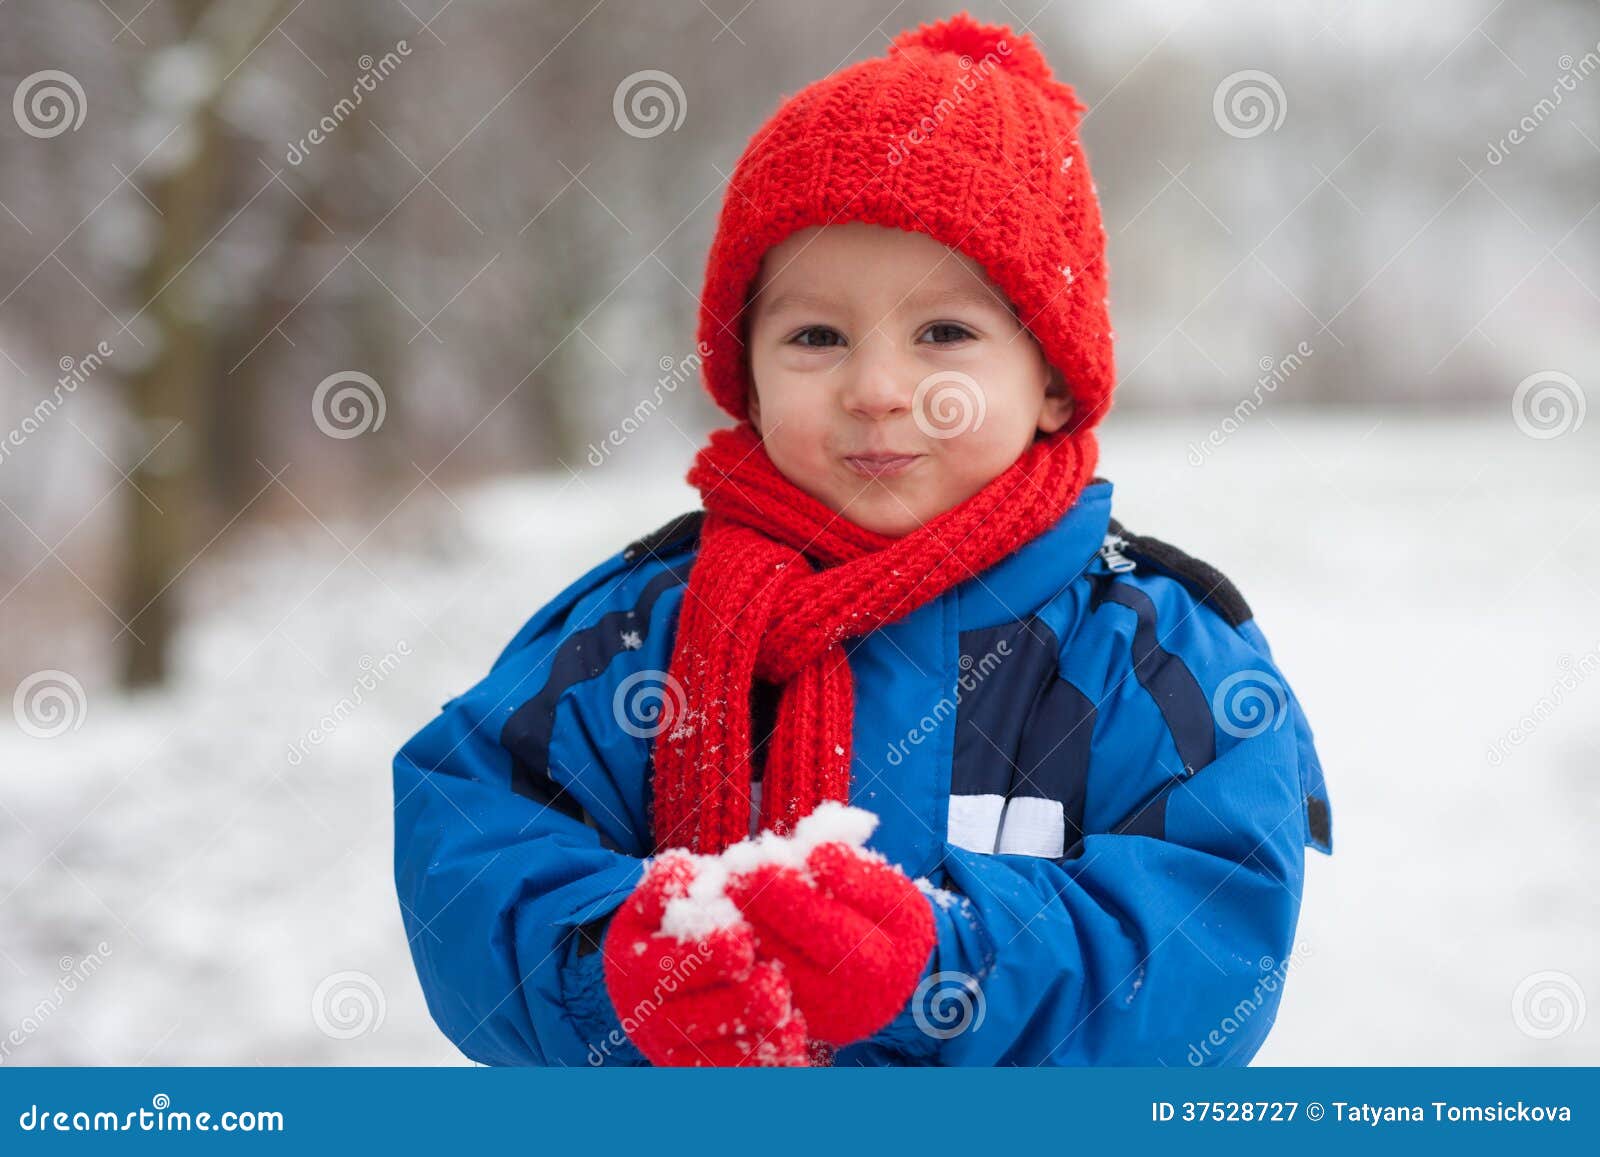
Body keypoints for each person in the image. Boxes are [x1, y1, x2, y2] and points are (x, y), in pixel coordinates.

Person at [391, 11, 1333, 1067]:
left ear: (1056, 378)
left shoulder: (1152, 657)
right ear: (745, 369)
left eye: (945, 333)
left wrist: (938, 966)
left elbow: (1206, 947)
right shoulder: (638, 629)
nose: (878, 390)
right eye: (815, 336)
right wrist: (618, 969)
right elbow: (468, 847)